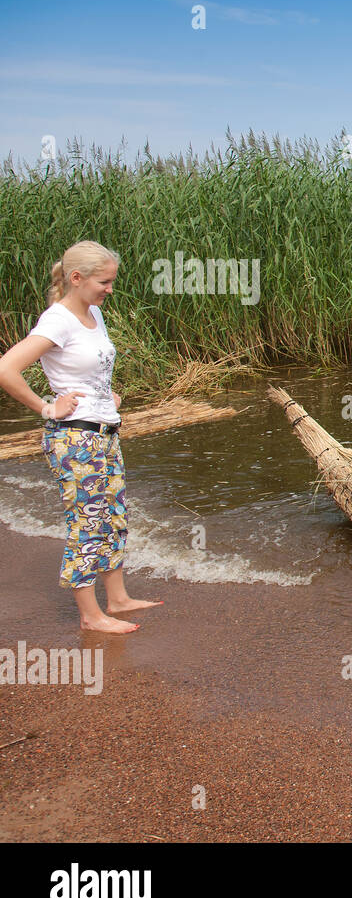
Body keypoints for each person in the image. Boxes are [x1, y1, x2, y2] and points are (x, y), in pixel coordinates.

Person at [0, 240, 162, 633]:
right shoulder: (58, 320)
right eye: (104, 282)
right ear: (77, 278)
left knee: (116, 517)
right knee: (87, 522)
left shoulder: (93, 313)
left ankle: (118, 598)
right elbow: (7, 368)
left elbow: (91, 368)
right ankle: (90, 616)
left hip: (105, 432)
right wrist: (45, 407)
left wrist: (107, 395)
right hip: (74, 439)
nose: (110, 289)